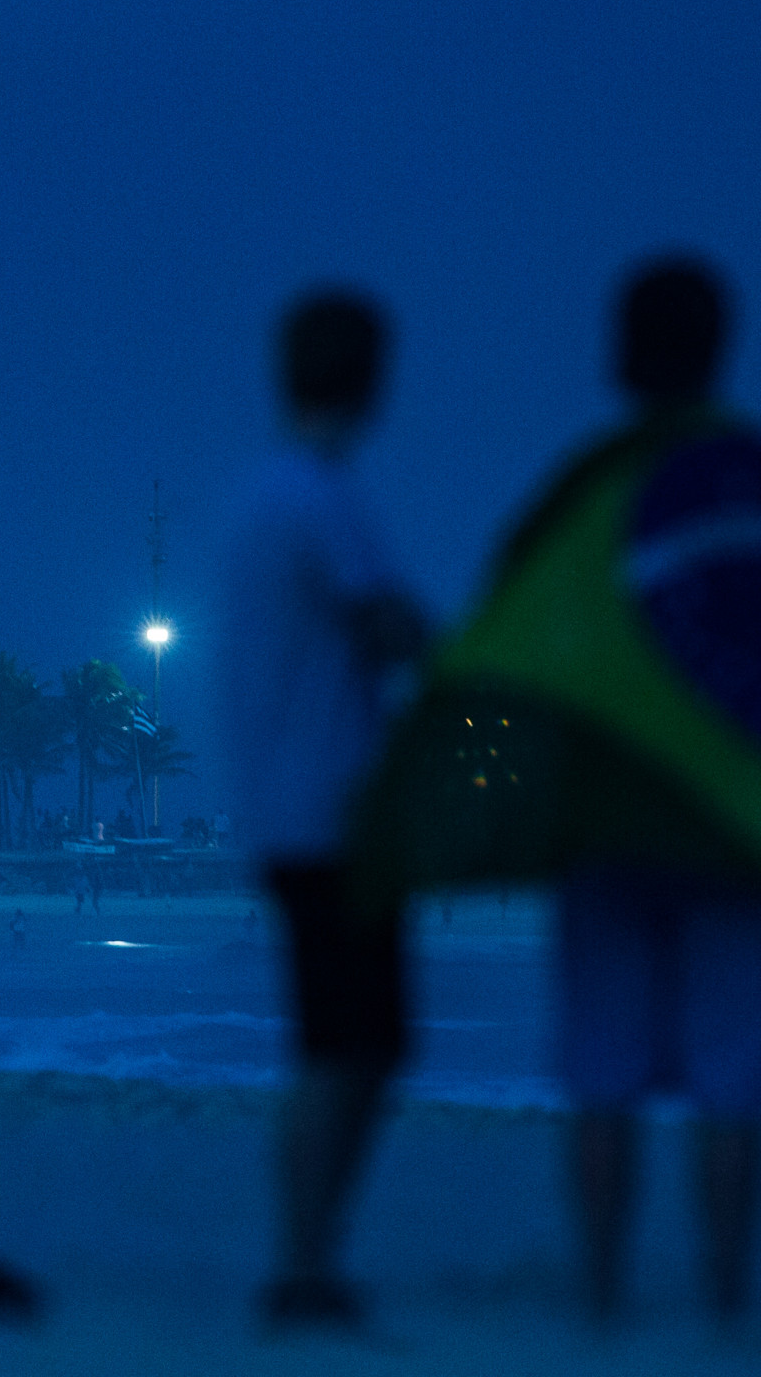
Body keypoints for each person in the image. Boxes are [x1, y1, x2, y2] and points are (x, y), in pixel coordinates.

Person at [360, 259, 761, 1324]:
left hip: (604, 833)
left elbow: (508, 654)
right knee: (733, 1091)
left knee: (602, 1080)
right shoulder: (746, 478)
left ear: (621, 357)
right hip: (733, 829)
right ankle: (725, 1302)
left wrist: (467, 799)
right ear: (721, 348)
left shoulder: (581, 491)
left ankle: (602, 1298)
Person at [218, 289, 430, 1329]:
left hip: (284, 813)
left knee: (339, 1045)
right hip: (333, 816)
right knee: (358, 1047)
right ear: (371, 380)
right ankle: (302, 1262)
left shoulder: (262, 498)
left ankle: (306, 1256)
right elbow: (391, 625)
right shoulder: (320, 496)